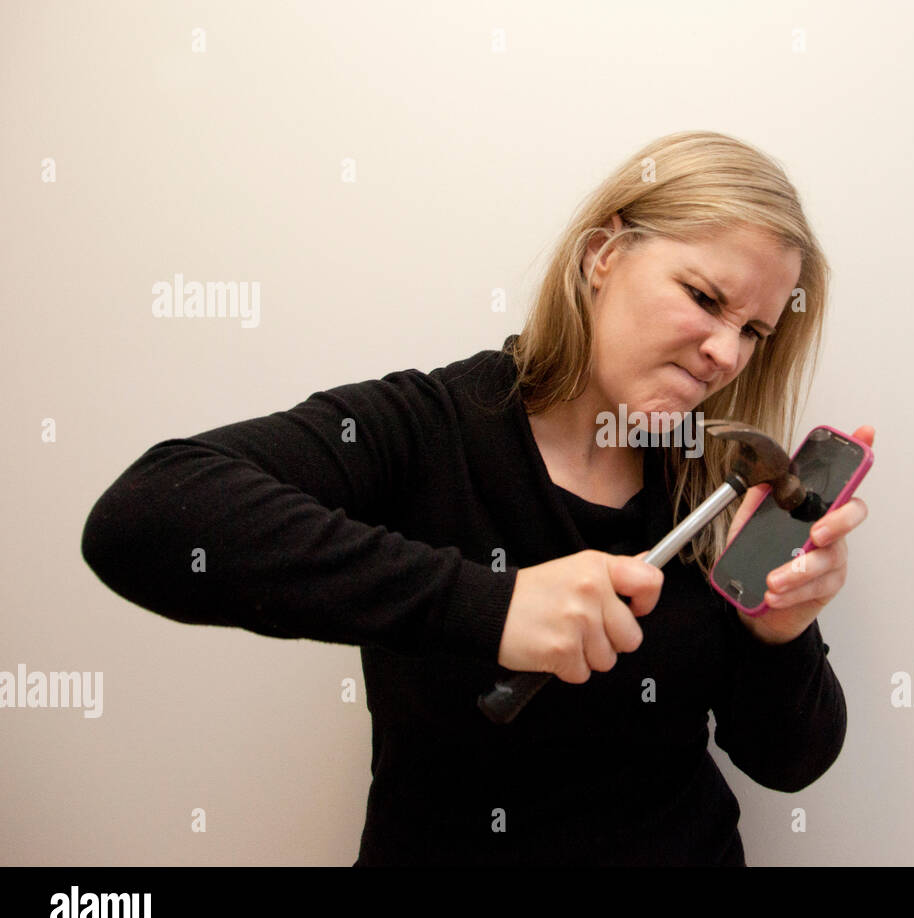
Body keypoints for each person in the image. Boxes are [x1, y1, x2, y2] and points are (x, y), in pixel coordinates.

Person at [80, 130, 874, 865]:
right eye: (704, 298)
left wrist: (781, 634)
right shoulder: (425, 429)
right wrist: (494, 607)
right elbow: (144, 516)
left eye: (755, 333)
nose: (725, 353)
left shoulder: (713, 483)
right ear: (603, 253)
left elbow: (792, 763)